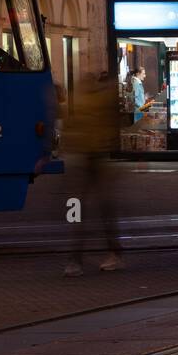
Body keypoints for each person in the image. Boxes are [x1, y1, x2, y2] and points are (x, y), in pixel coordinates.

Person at [61, 71, 125, 276]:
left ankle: (77, 258)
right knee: (97, 208)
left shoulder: (86, 100)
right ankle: (107, 253)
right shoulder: (98, 98)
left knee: (81, 210)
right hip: (89, 159)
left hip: (88, 158)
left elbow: (73, 127)